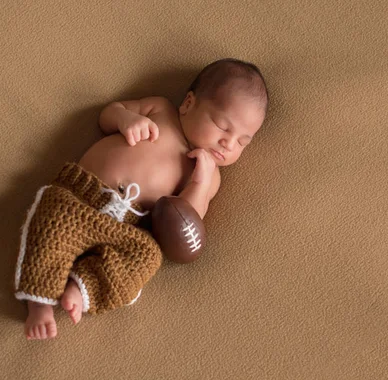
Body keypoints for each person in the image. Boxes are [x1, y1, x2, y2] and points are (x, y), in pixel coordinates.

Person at [14, 58, 269, 340]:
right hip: (79, 196)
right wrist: (127, 119)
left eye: (243, 142)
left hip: (128, 228)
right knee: (52, 226)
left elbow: (188, 218)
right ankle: (39, 303)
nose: (229, 144)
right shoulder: (160, 109)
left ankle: (82, 286)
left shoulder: (208, 176)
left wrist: (200, 181)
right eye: (222, 126)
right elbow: (108, 114)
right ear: (188, 104)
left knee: (146, 258)